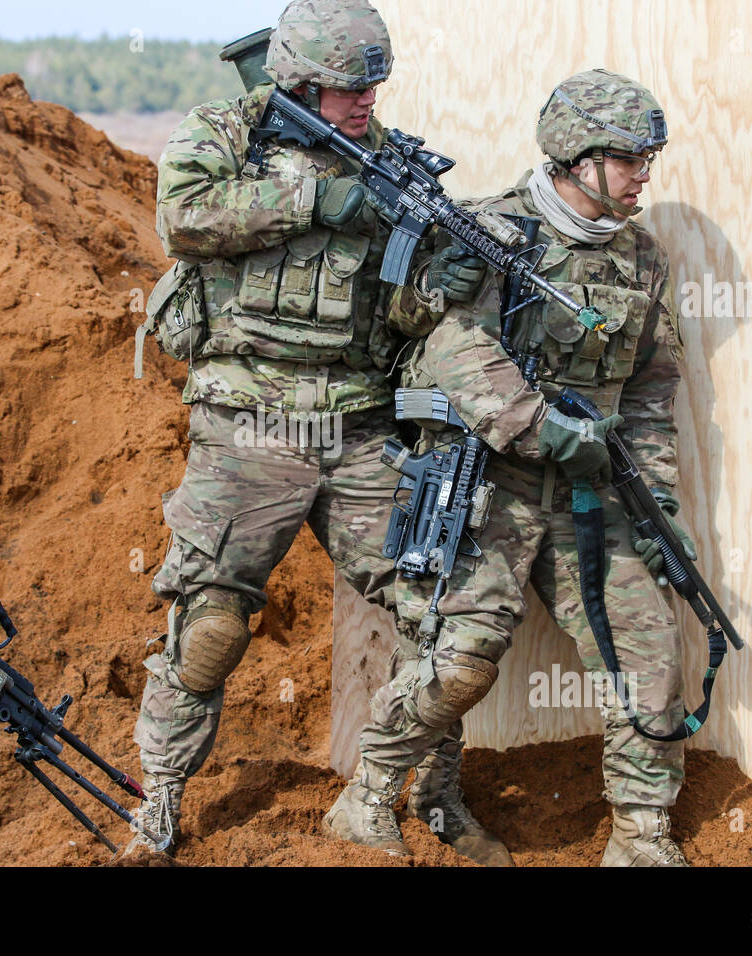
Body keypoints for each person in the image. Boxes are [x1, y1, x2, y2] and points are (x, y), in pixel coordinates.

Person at [125, 0, 509, 865]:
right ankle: (157, 801)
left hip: (359, 424)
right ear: (297, 79)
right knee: (213, 622)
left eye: (374, 82)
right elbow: (183, 216)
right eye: (346, 86)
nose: (365, 100)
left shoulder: (393, 166)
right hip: (246, 421)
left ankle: (415, 795)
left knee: (438, 613)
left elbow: (400, 317)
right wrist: (316, 196)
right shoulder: (227, 135)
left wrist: (438, 282)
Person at [327, 69, 694, 865]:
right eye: (630, 159)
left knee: (649, 650)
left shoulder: (642, 259)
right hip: (484, 483)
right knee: (456, 664)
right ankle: (369, 799)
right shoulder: (491, 232)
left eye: (647, 160)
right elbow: (458, 350)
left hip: (591, 491)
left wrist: (652, 494)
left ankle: (641, 834)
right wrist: (539, 428)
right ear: (577, 157)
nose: (644, 176)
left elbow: (652, 385)